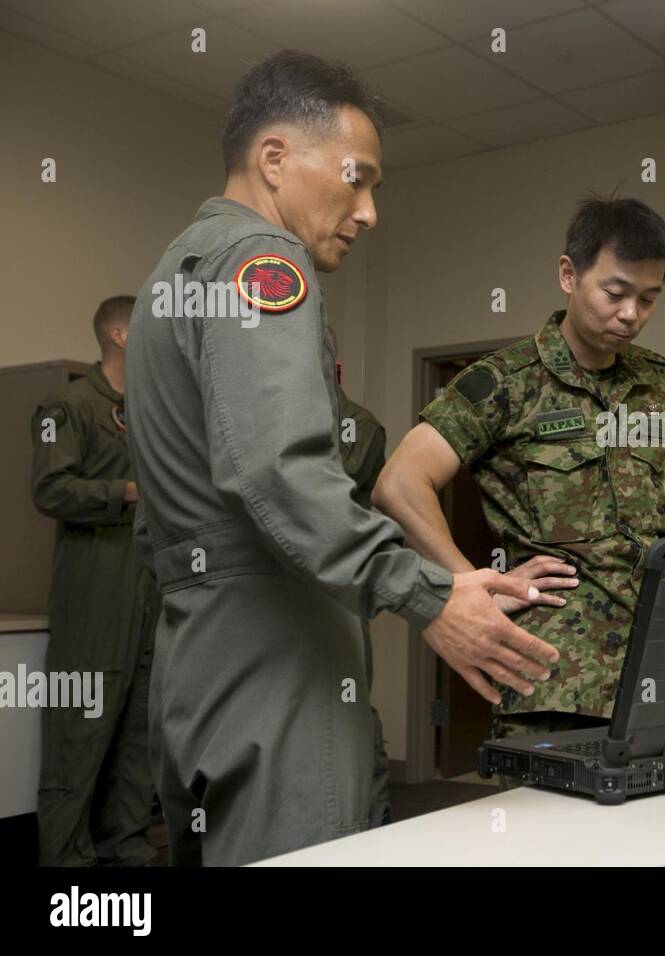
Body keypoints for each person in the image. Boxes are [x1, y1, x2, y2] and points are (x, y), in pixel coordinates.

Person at [125, 50, 557, 865]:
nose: (368, 212)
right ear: (275, 158)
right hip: (277, 647)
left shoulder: (171, 274)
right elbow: (277, 473)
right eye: (356, 179)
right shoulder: (264, 261)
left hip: (196, 650)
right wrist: (430, 596)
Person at [374, 196, 665, 744]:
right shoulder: (506, 382)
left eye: (648, 299)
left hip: (653, 665)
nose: (630, 315)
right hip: (551, 677)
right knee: (544, 829)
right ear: (569, 274)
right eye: (615, 293)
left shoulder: (661, 385)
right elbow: (398, 484)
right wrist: (471, 584)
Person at [30, 295, 159, 866]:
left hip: (152, 595)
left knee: (139, 735)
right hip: (95, 596)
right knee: (78, 740)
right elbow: (50, 490)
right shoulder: (70, 405)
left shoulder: (157, 410)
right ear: (121, 335)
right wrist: (127, 493)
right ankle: (66, 864)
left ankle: (126, 847)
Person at [325, 326, 391, 825]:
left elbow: (322, 498)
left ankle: (371, 828)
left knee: (350, 713)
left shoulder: (356, 426)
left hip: (338, 594)